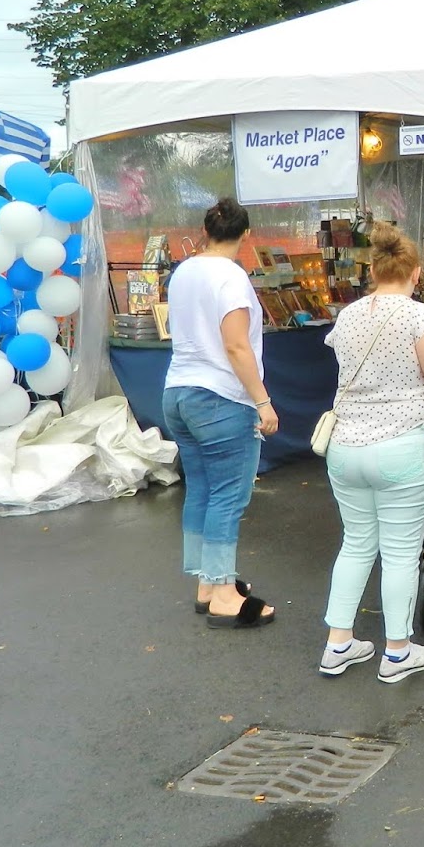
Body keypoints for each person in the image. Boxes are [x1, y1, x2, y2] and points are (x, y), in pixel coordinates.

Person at [317, 224, 424, 682]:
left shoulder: (349, 316)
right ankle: (397, 652)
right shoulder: (420, 318)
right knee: (400, 553)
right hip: (404, 447)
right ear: (415, 273)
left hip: (345, 446)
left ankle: (338, 643)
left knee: (355, 544)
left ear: (373, 270)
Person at [163, 197, 279, 628]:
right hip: (220, 396)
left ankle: (208, 583)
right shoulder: (231, 277)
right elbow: (235, 344)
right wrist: (262, 400)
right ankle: (224, 594)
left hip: (178, 390)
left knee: (202, 488)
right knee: (229, 495)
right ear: (246, 235)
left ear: (206, 229)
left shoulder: (184, 271)